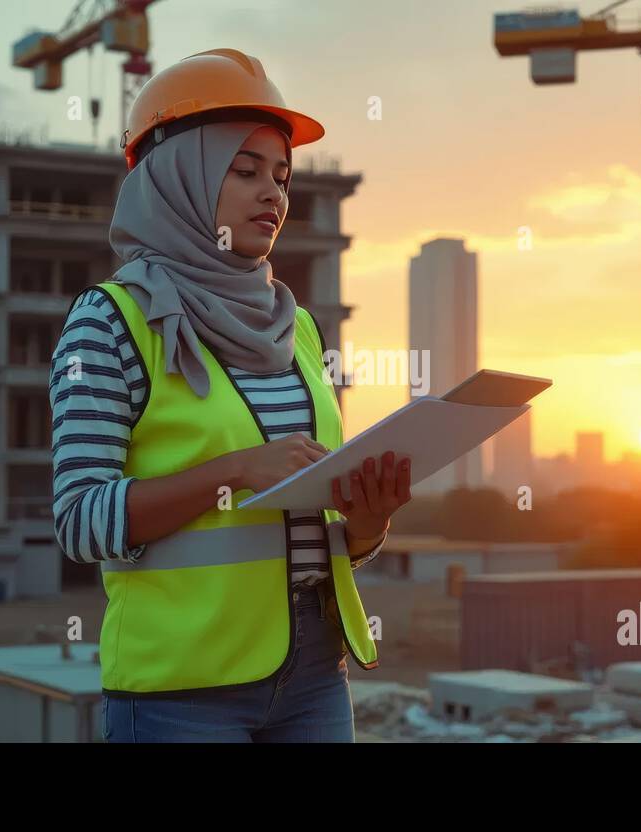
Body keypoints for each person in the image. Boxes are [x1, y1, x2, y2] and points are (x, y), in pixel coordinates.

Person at [48, 48, 412, 742]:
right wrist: (235, 472)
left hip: (313, 672)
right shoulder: (111, 320)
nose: (273, 193)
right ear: (178, 178)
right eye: (243, 171)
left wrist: (369, 520)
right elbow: (80, 521)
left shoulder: (296, 325)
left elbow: (317, 527)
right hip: (181, 691)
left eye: (280, 175)